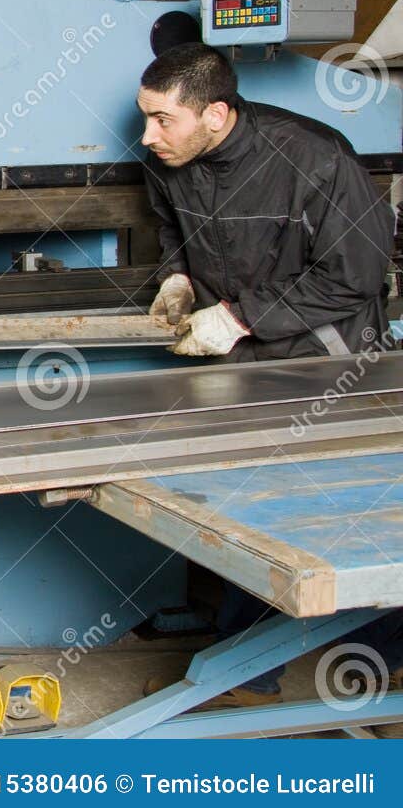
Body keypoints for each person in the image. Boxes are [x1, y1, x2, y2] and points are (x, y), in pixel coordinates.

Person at [138, 42, 402, 723]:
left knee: (354, 510)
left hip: (329, 357)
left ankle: (385, 655)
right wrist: (177, 276)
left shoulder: (316, 159)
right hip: (246, 355)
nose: (147, 135)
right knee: (247, 503)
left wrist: (236, 316)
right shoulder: (170, 159)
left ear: (215, 114)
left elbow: (355, 275)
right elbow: (172, 228)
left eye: (162, 119)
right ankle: (251, 673)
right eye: (145, 118)